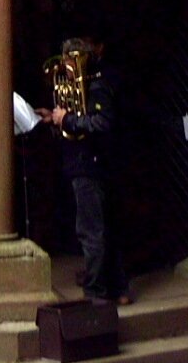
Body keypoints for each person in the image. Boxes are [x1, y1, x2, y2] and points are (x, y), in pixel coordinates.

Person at [39, 37, 130, 305]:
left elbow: (101, 122)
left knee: (92, 232)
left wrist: (66, 119)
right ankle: (117, 288)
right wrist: (56, 119)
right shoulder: (91, 86)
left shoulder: (97, 86)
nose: (67, 67)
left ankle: (96, 292)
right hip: (88, 163)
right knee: (102, 229)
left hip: (90, 165)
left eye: (69, 60)